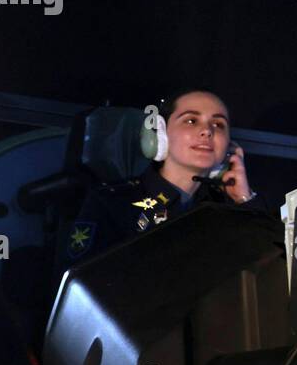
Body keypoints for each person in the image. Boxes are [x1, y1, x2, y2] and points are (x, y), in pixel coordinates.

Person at [58, 87, 278, 270]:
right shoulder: (112, 204)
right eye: (191, 121)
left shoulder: (227, 210)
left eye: (219, 124)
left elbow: (271, 267)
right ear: (159, 135)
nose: (207, 131)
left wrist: (245, 199)